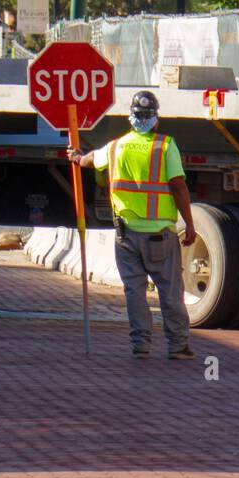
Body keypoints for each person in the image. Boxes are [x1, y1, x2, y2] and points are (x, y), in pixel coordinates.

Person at [68, 90, 198, 360]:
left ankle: (141, 345)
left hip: (126, 235)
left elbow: (91, 159)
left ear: (131, 118)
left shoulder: (116, 146)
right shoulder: (165, 146)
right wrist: (190, 224)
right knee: (170, 292)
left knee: (135, 292)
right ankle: (177, 346)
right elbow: (178, 186)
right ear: (155, 119)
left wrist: (77, 158)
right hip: (160, 236)